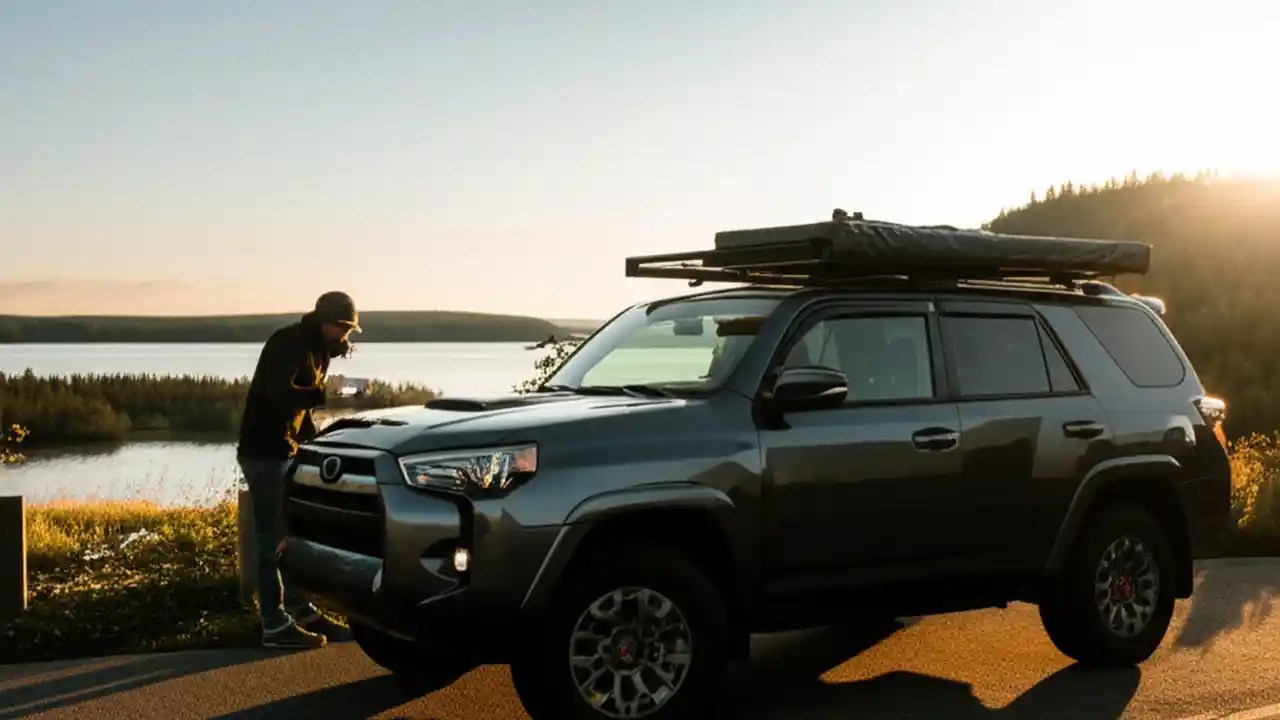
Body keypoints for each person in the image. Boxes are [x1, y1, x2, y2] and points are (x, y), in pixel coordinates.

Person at [236, 291, 360, 649]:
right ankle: (273, 625)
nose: (345, 337)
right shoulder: (287, 343)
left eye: (349, 330)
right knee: (270, 540)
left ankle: (300, 609)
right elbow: (279, 394)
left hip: (288, 450)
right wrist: (321, 396)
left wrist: (314, 446)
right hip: (264, 452)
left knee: (292, 537)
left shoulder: (320, 350)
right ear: (326, 322)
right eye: (343, 329)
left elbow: (302, 411)